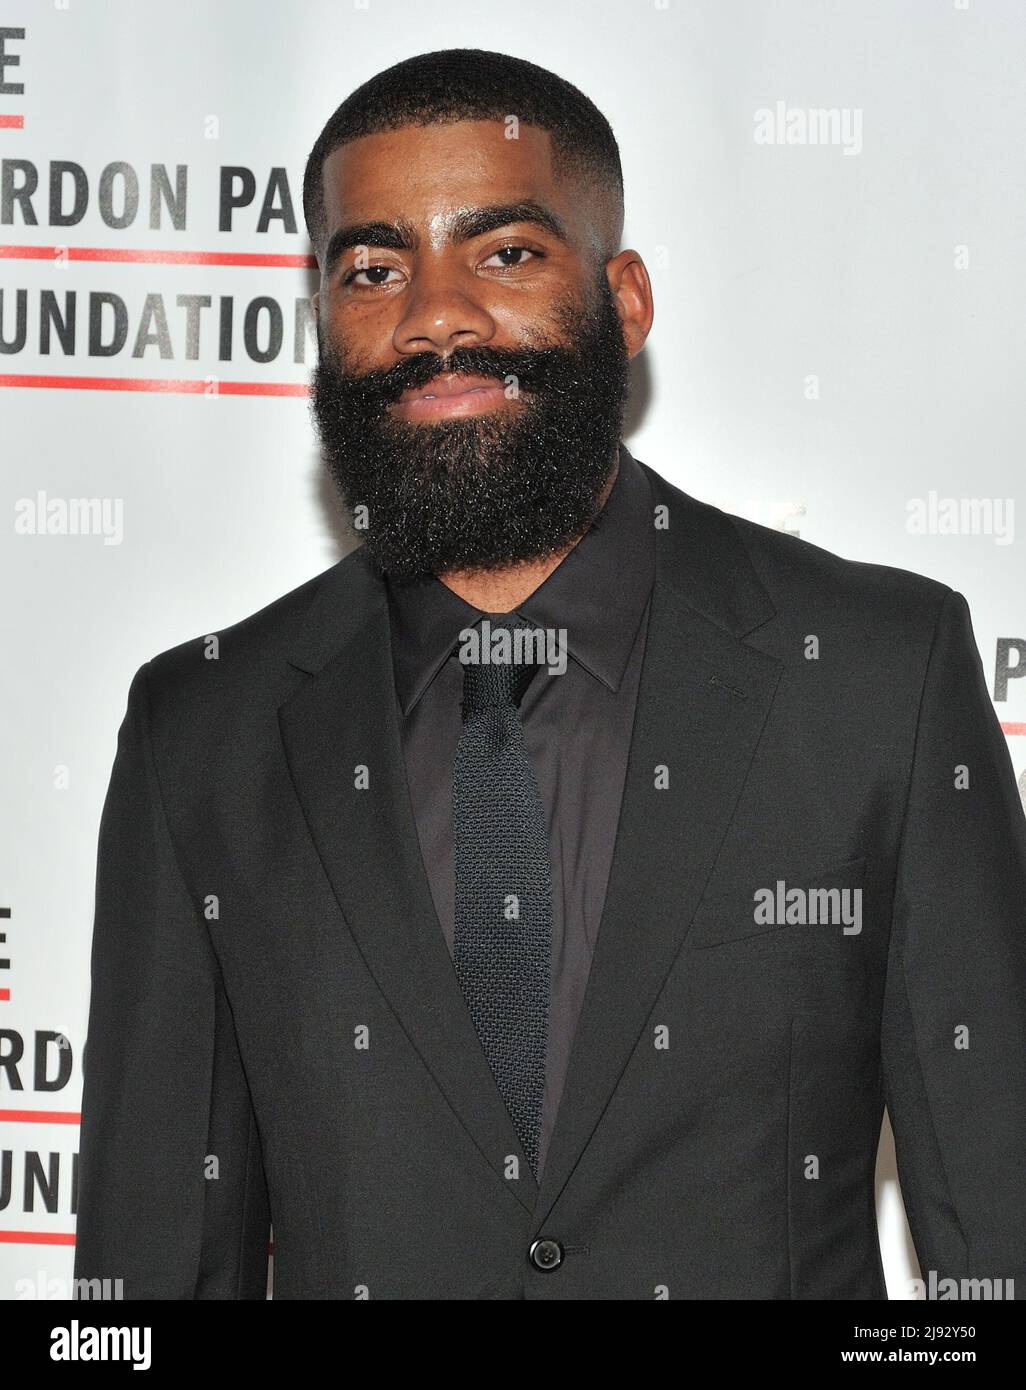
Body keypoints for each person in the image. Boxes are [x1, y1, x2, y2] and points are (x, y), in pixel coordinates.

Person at [73, 47, 1026, 1300]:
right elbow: (150, 1274)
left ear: (624, 300)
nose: (437, 316)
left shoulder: (871, 676)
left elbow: (1000, 1235)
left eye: (505, 252)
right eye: (373, 269)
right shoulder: (204, 729)